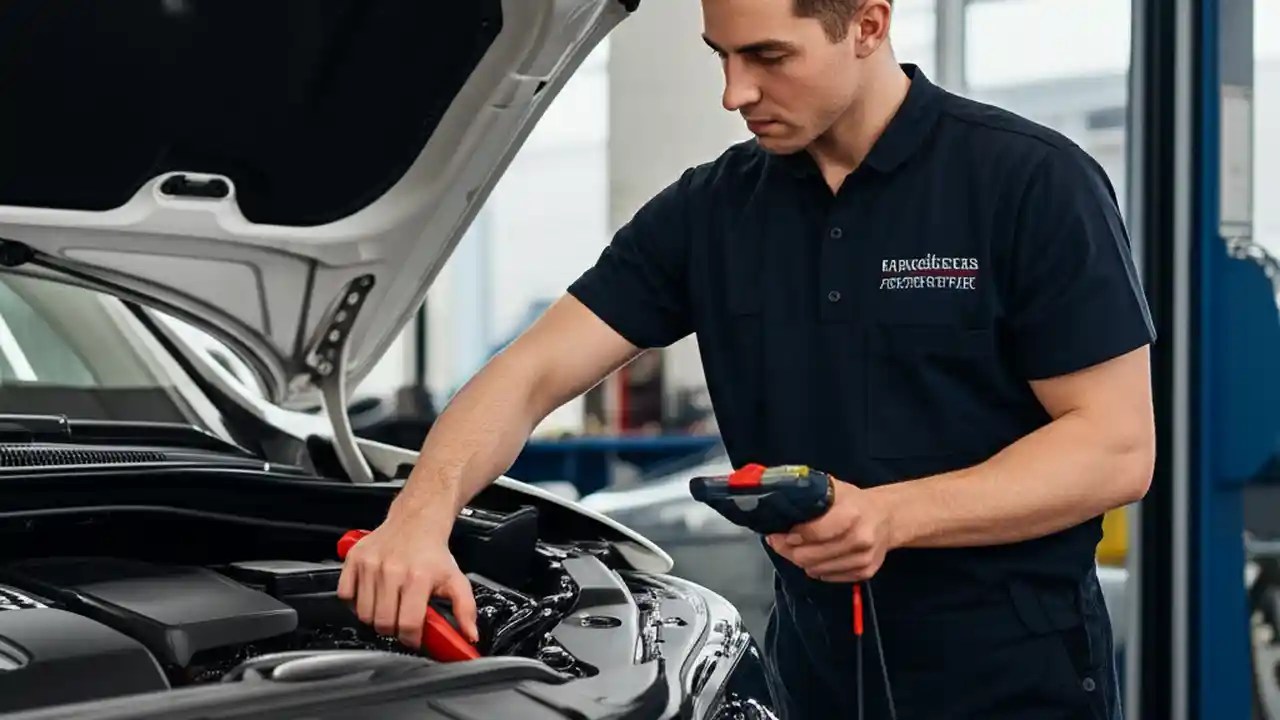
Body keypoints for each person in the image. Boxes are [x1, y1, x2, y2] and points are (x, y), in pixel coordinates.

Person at [336, 0, 1156, 717]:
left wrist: (893, 516)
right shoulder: (710, 212)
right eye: (721, 56)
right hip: (811, 673)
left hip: (1011, 677)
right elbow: (529, 374)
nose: (735, 93)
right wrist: (417, 519)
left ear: (868, 25)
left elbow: (1115, 447)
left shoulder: (1030, 183)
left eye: (768, 56)